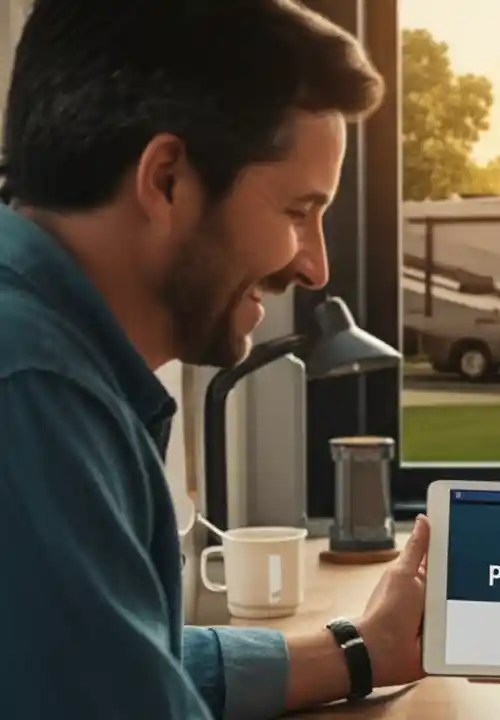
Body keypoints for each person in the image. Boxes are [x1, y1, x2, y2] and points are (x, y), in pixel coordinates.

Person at [0, 1, 430, 717]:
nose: (317, 266)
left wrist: (360, 649)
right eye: (298, 212)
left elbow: (122, 659)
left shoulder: (53, 358)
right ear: (167, 180)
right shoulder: (34, 394)